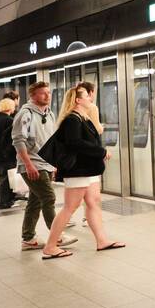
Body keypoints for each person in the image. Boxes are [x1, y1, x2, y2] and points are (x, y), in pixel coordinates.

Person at [42, 81, 120, 258]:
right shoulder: (72, 120)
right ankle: (50, 246)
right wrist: (102, 151)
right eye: (86, 96)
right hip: (78, 170)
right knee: (70, 207)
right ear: (78, 100)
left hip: (88, 170)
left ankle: (102, 241)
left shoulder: (83, 118)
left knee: (93, 202)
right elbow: (75, 143)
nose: (90, 98)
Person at [13, 81, 76, 252]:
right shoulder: (25, 114)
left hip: (46, 164)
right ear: (33, 95)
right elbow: (18, 140)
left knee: (35, 202)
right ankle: (57, 236)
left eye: (48, 93)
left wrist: (54, 163)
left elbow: (51, 140)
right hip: (32, 164)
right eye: (43, 93)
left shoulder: (50, 114)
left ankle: (28, 238)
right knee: (49, 197)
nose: (47, 96)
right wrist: (28, 164)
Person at [0, 96, 19, 209]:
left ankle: (4, 200)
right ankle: (4, 202)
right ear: (9, 107)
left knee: (4, 177)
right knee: (7, 178)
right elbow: (9, 139)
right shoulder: (8, 120)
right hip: (6, 155)